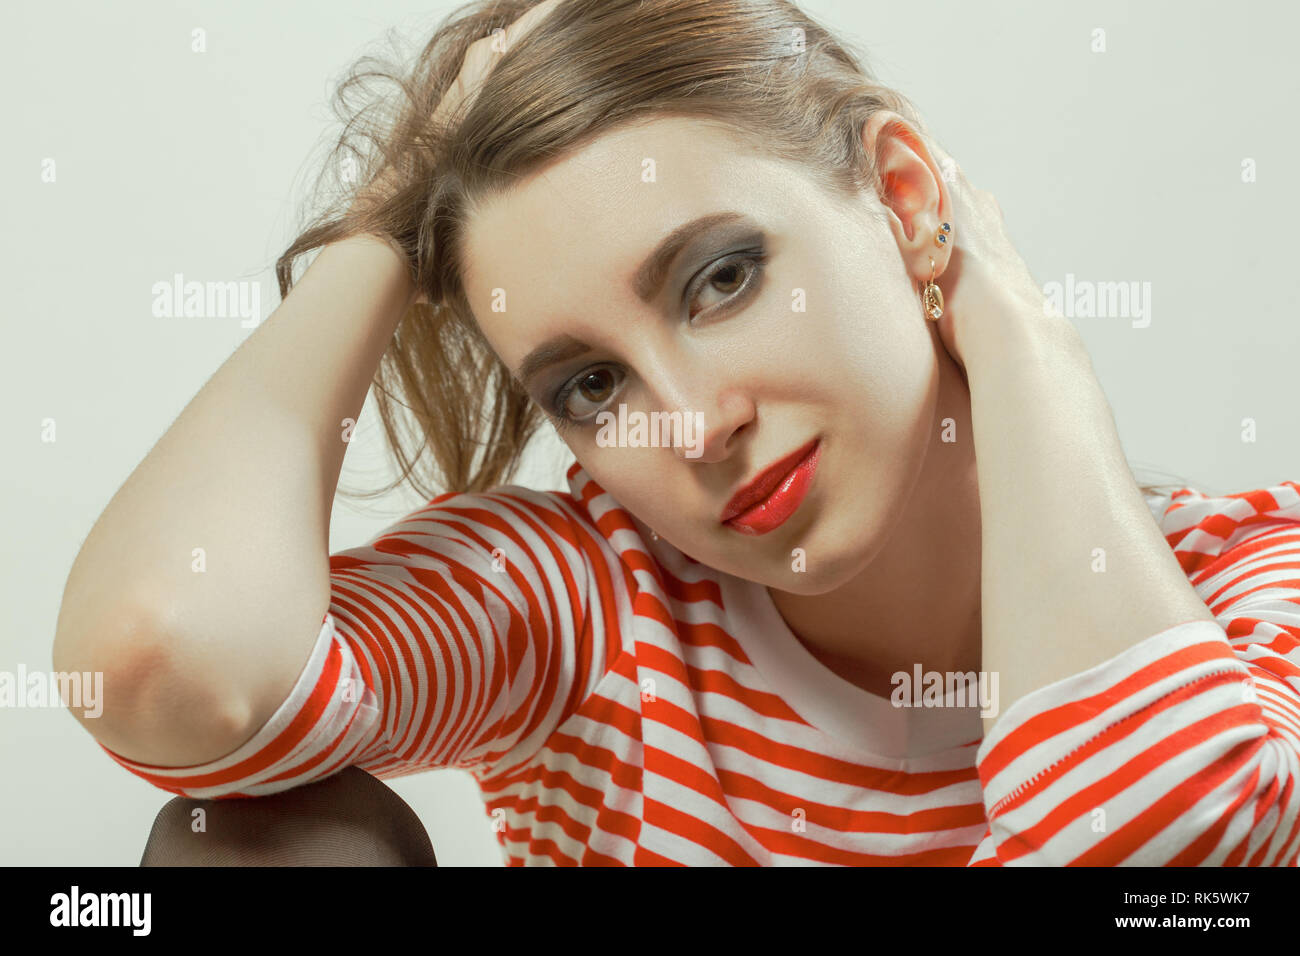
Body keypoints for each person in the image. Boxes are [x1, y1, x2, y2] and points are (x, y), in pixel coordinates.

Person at [55, 0, 1300, 866]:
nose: (695, 427)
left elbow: (1165, 850)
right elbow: (161, 662)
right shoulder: (583, 603)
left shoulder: (1257, 586)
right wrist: (388, 223)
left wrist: (1025, 342)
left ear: (906, 199)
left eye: (719, 279)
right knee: (256, 840)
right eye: (590, 385)